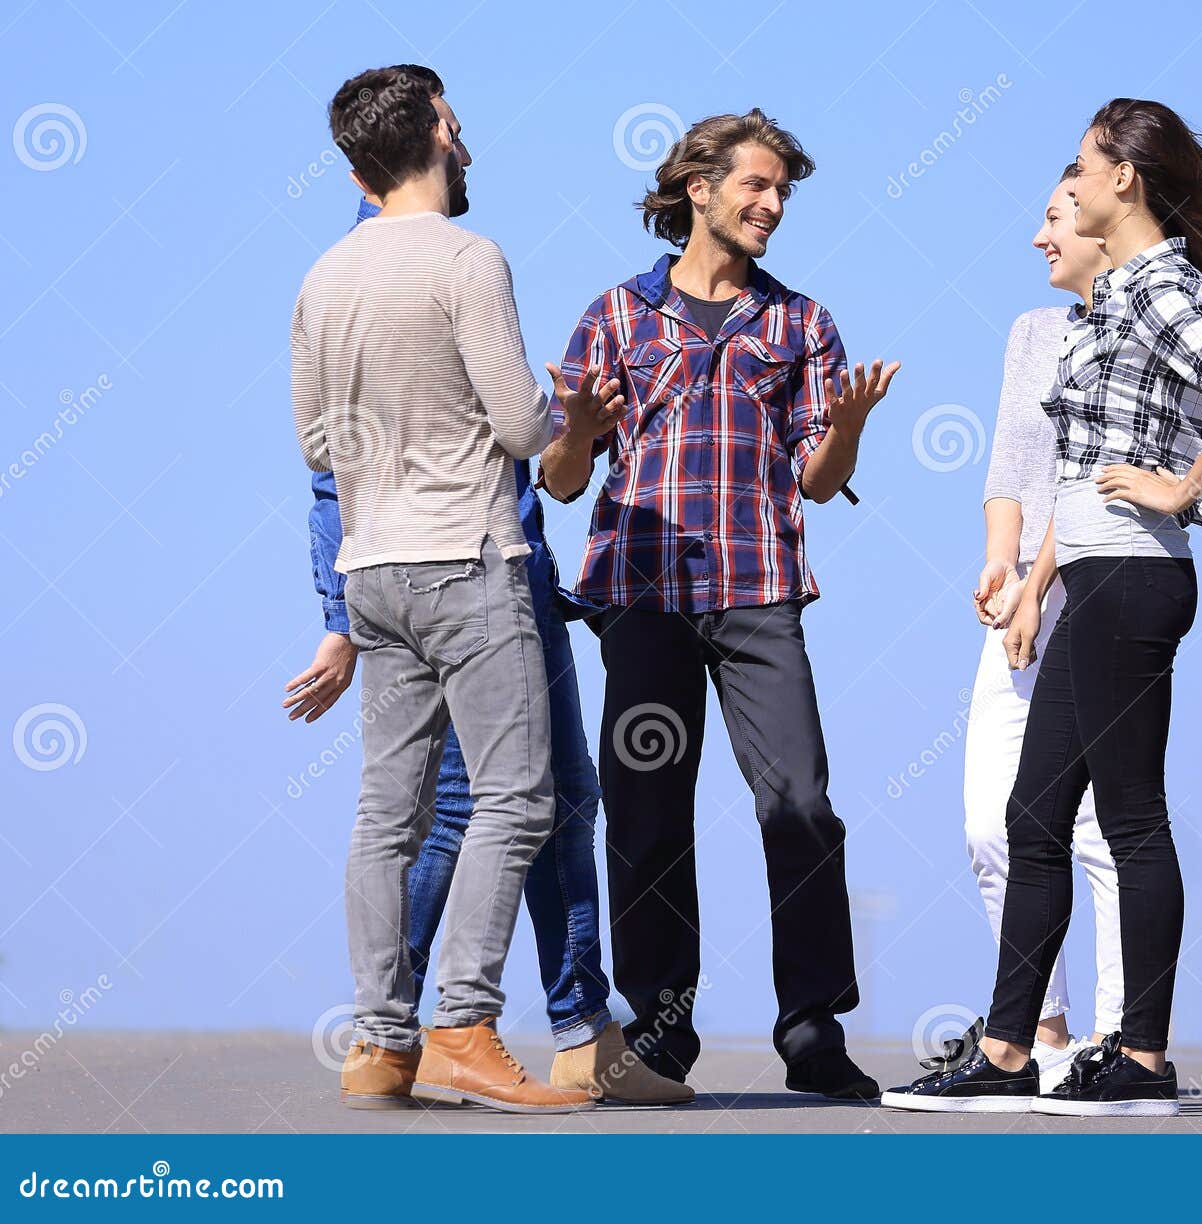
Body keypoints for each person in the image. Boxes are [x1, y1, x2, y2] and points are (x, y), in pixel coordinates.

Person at [285, 65, 689, 1110]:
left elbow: (317, 441)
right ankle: (464, 1022)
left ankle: (380, 1043)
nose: (466, 143)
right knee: (521, 797)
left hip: (372, 568)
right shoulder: (470, 259)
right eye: (457, 126)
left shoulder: (322, 277)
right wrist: (579, 425)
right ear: (432, 135)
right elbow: (520, 427)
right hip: (471, 560)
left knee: (389, 814)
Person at [884, 98, 1202, 1116]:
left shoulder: (1159, 288)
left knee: (1131, 818)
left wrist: (1179, 487)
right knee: (1033, 814)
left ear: (1124, 181)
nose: (1066, 182)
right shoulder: (1116, 301)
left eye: (1079, 165)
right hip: (1096, 578)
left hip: (1131, 579)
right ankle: (1009, 1051)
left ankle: (1142, 1059)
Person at [539, 109, 899, 1098]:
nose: (773, 206)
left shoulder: (801, 323)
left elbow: (820, 480)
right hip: (641, 599)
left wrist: (852, 427)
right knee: (646, 813)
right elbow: (563, 481)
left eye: (783, 192)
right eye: (757, 186)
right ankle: (662, 1029)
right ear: (698, 188)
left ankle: (812, 1029)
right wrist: (573, 425)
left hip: (757, 593)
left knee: (800, 804)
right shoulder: (615, 316)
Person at [889, 171, 1122, 1112]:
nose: (1038, 236)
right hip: (1022, 592)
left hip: (1092, 589)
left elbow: (1094, 478)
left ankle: (1117, 1038)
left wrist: (1038, 584)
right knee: (994, 823)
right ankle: (1043, 1028)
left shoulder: (1129, 337)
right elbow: (1011, 465)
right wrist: (999, 566)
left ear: (1107, 223)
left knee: (1103, 829)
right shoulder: (1033, 334)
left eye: (1055, 217)